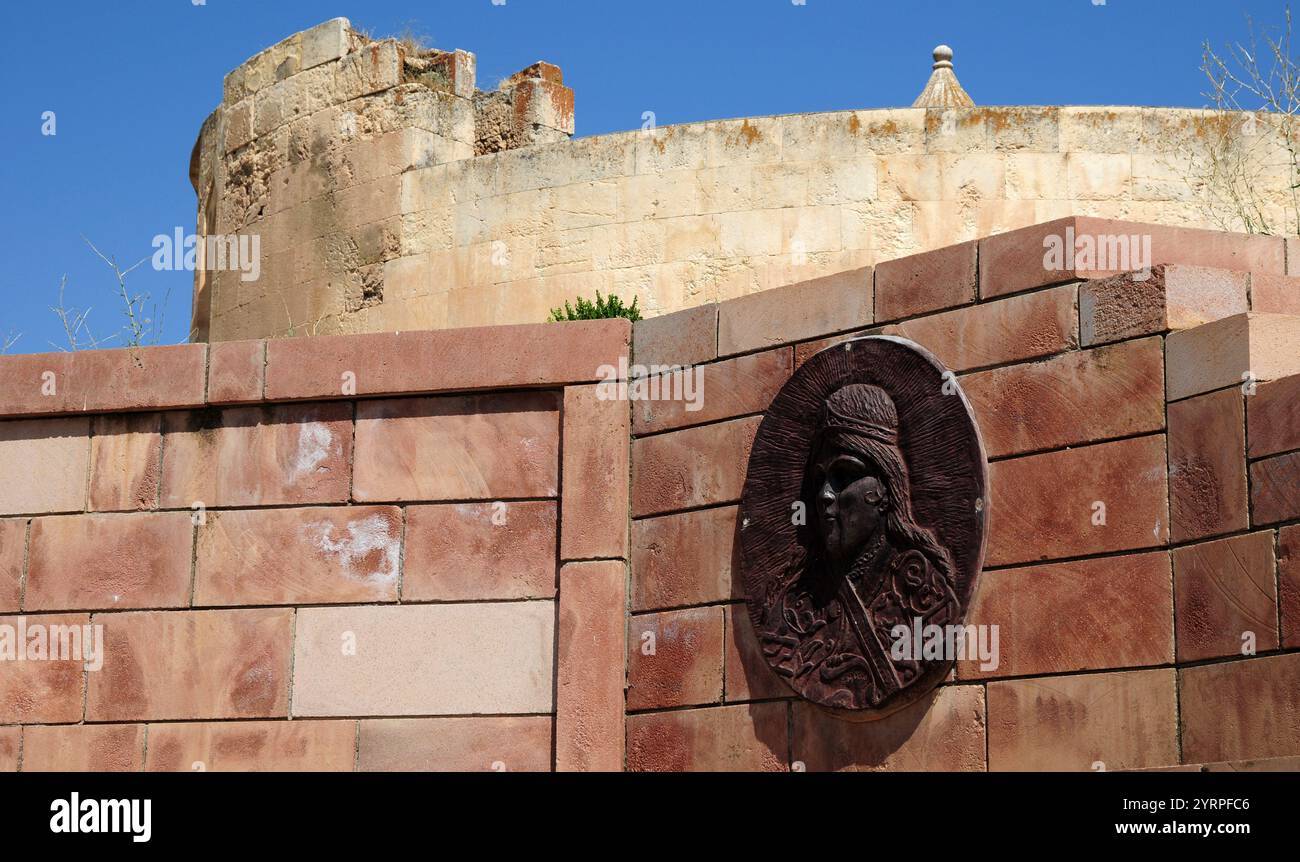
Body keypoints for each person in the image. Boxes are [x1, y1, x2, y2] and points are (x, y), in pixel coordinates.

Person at [757, 383, 960, 710]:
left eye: (844, 476)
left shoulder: (924, 593)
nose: (825, 494)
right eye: (820, 478)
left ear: (885, 488)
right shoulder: (790, 609)